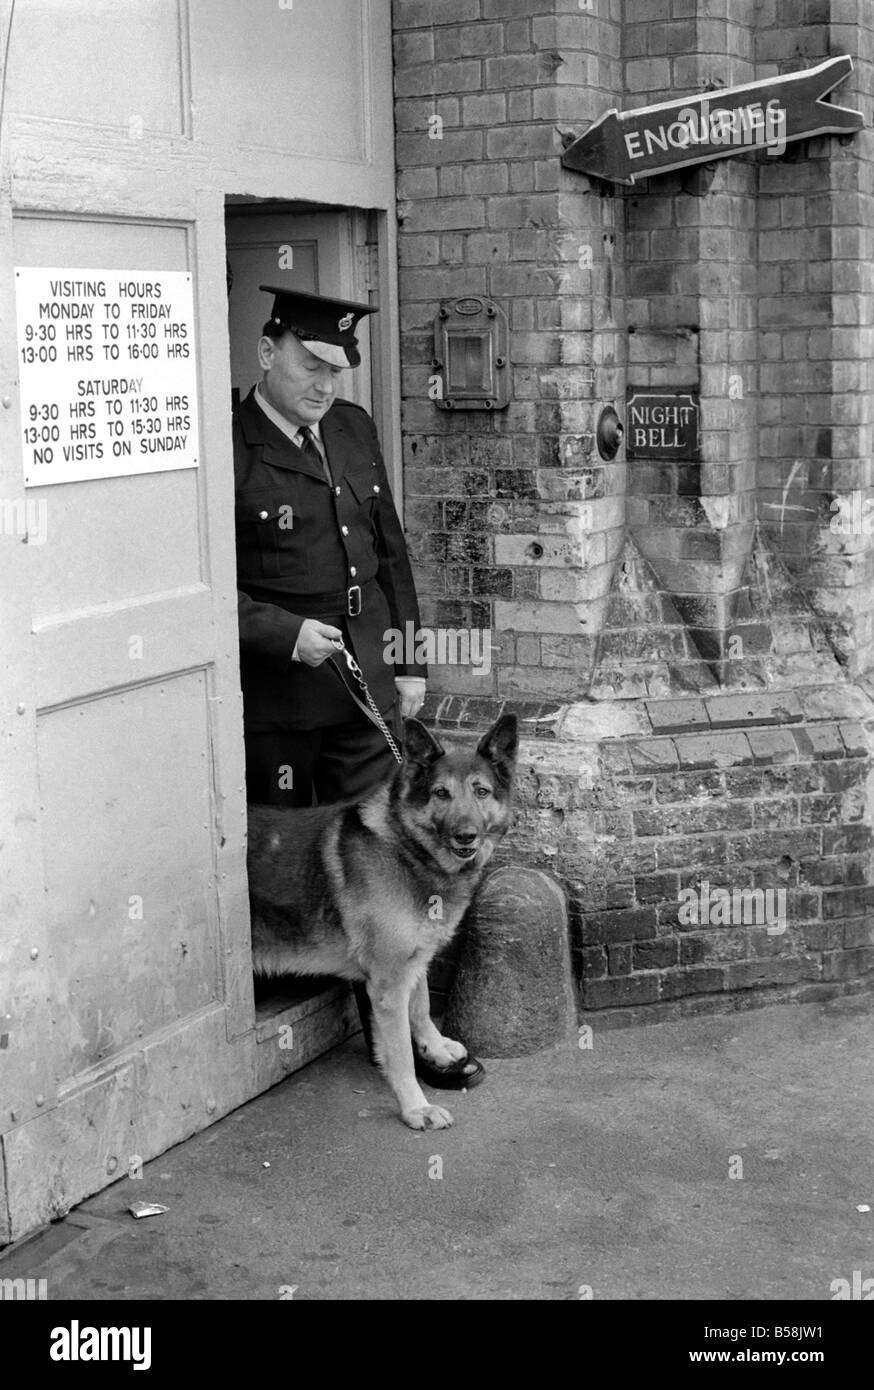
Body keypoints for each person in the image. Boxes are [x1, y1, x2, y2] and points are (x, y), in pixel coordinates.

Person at [233, 285, 483, 1089]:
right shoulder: (228, 443)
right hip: (280, 698)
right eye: (309, 366)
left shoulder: (351, 427)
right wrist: (282, 632)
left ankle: (415, 1032)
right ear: (266, 352)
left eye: (336, 370)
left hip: (364, 685)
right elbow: (198, 584)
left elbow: (390, 548)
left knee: (394, 878)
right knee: (282, 874)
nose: (324, 384)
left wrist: (408, 658)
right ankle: (272, 1031)